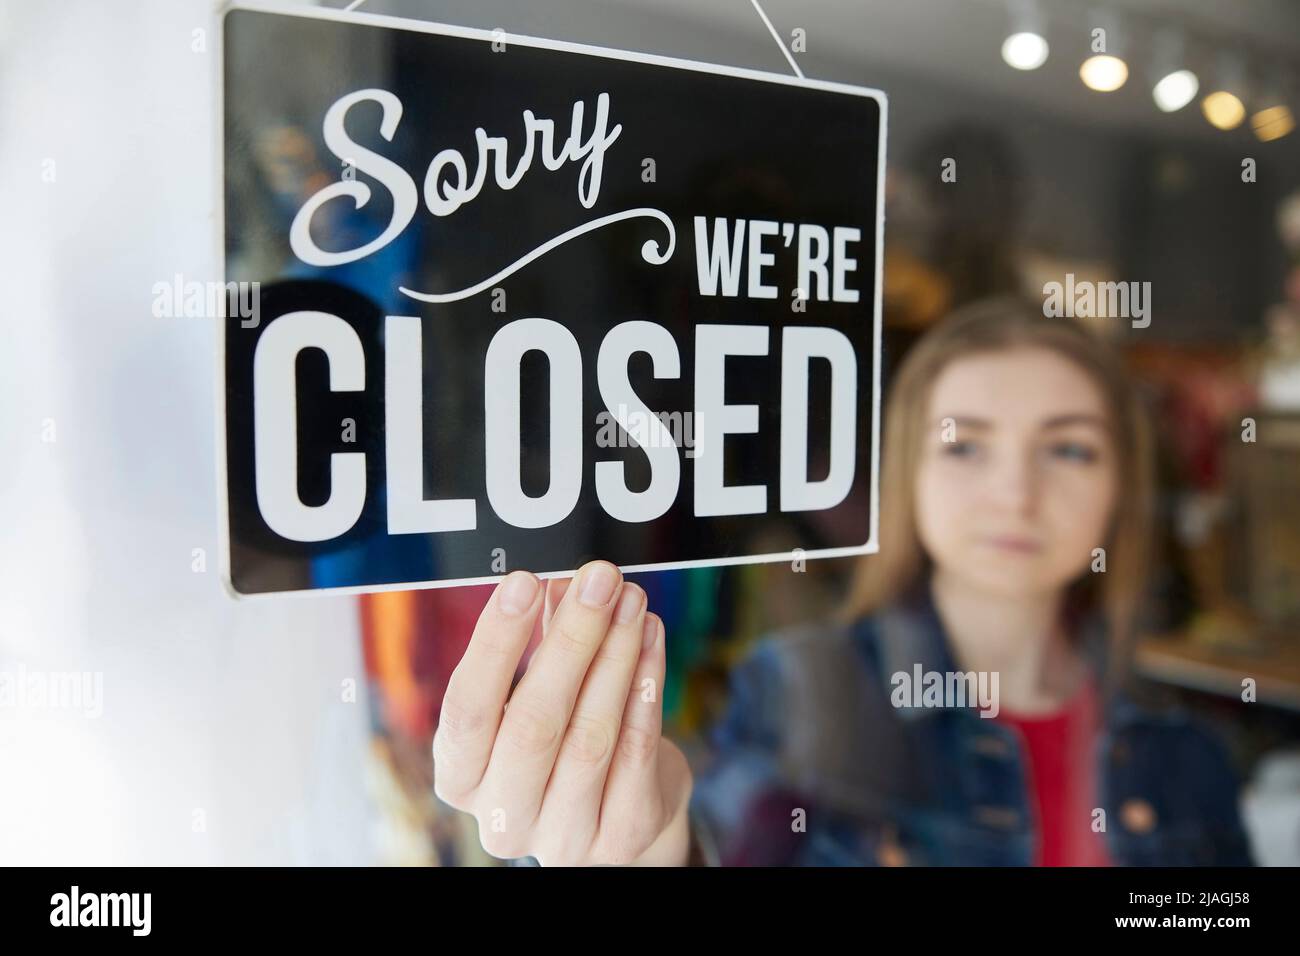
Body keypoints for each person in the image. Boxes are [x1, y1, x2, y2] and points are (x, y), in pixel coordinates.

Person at [430, 296, 1254, 866]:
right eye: (964, 444)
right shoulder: (804, 690)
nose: (1016, 492)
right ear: (907, 470)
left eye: (1068, 448)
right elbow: (716, 837)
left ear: (1122, 485)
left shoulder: (1187, 750)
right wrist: (651, 847)